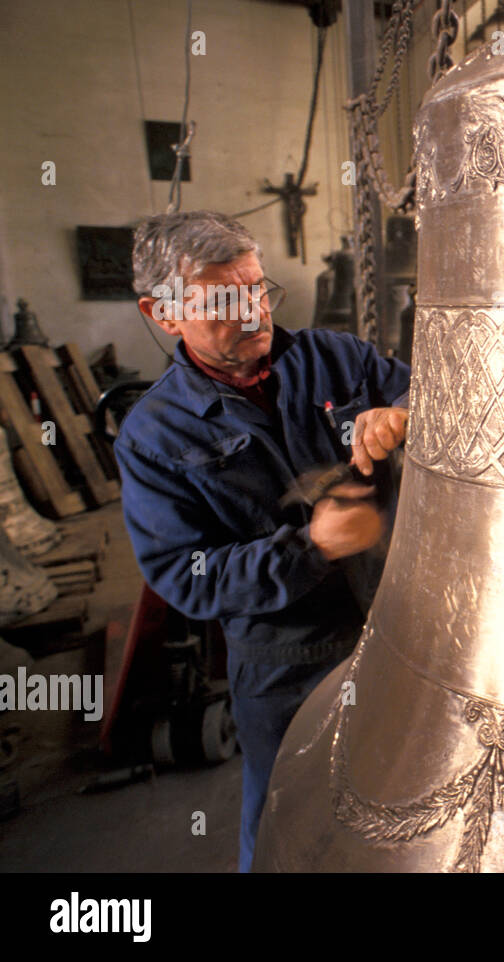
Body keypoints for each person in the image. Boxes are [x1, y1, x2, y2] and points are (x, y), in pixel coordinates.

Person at [115, 210, 410, 871]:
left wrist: (406, 414)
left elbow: (448, 401)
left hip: (396, 631)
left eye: (256, 288)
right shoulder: (155, 437)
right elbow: (188, 577)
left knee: (409, 801)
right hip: (286, 663)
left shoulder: (334, 360)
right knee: (288, 823)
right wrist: (312, 548)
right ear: (162, 313)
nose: (251, 311)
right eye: (223, 299)